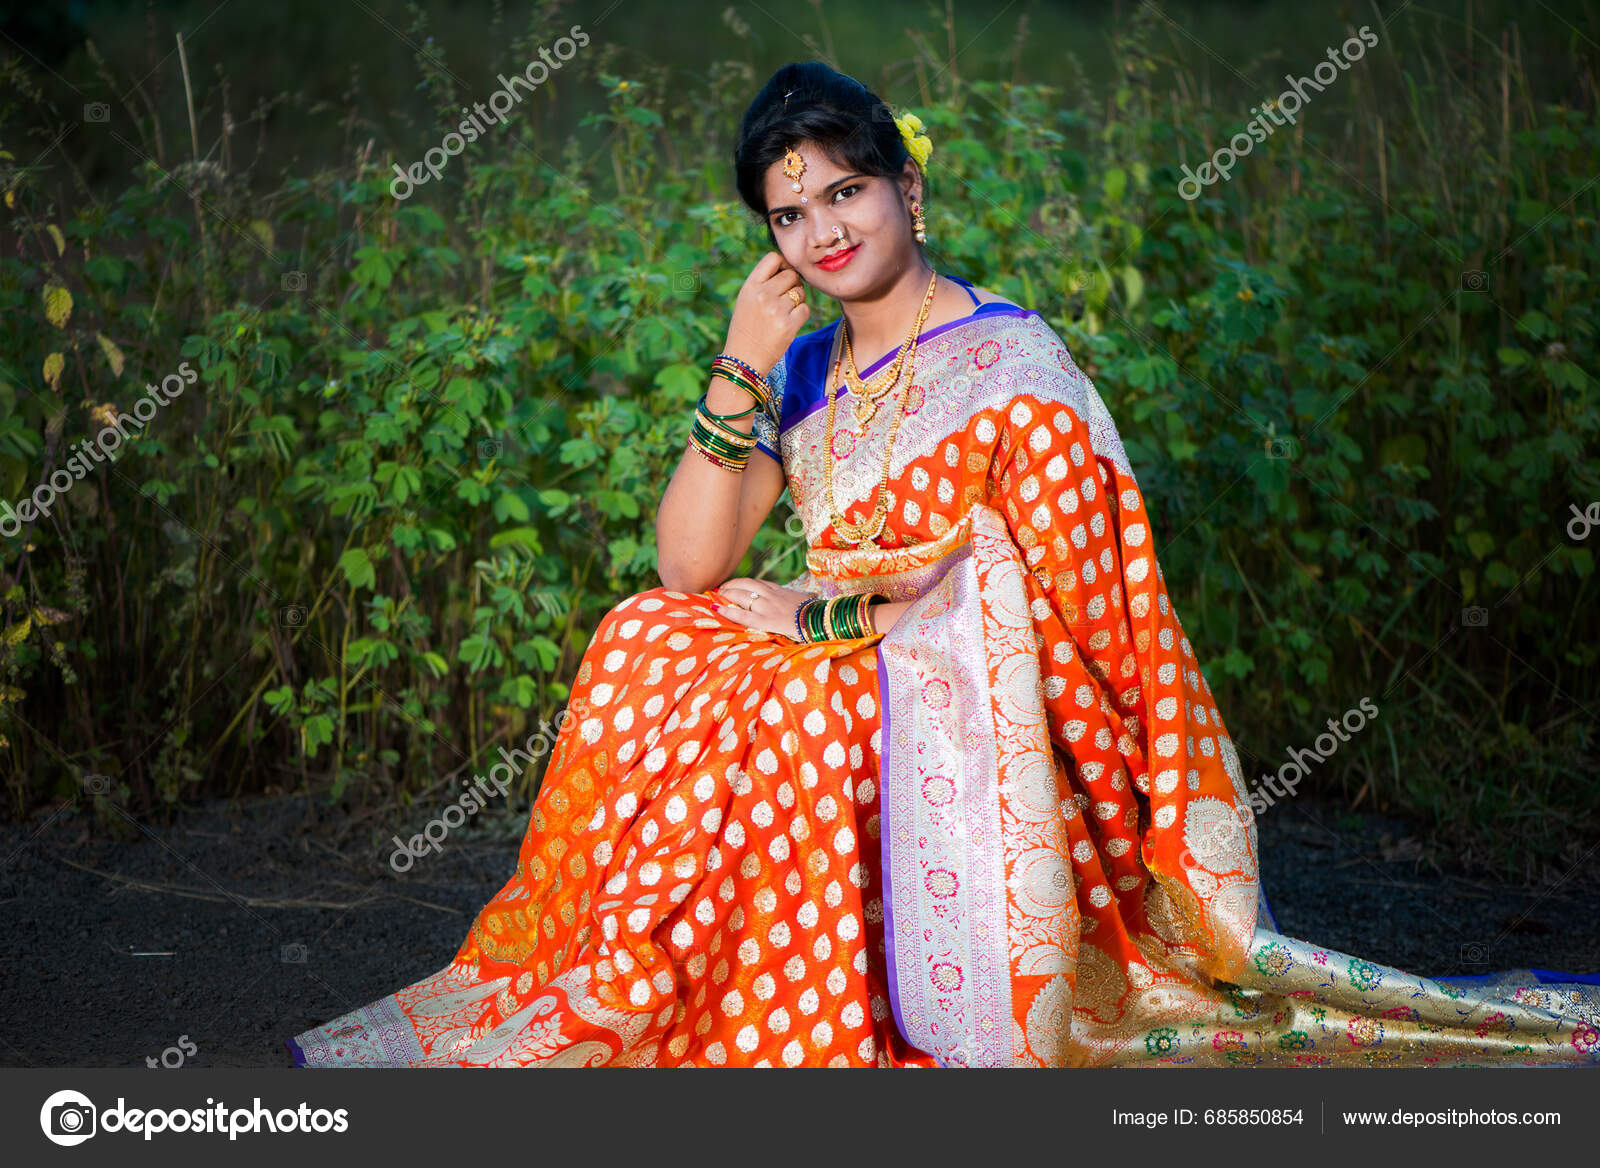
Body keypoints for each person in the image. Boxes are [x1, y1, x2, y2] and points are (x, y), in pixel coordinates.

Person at [286, 61, 1600, 1068]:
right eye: (789, 214)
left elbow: (1052, 594)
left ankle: (812, 1007)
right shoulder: (805, 364)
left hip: (997, 707)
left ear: (907, 190)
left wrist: (825, 607)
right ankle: (667, 977)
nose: (824, 231)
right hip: (851, 646)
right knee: (645, 637)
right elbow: (692, 562)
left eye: (844, 192)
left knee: (806, 707)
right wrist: (740, 358)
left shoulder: (1013, 367)